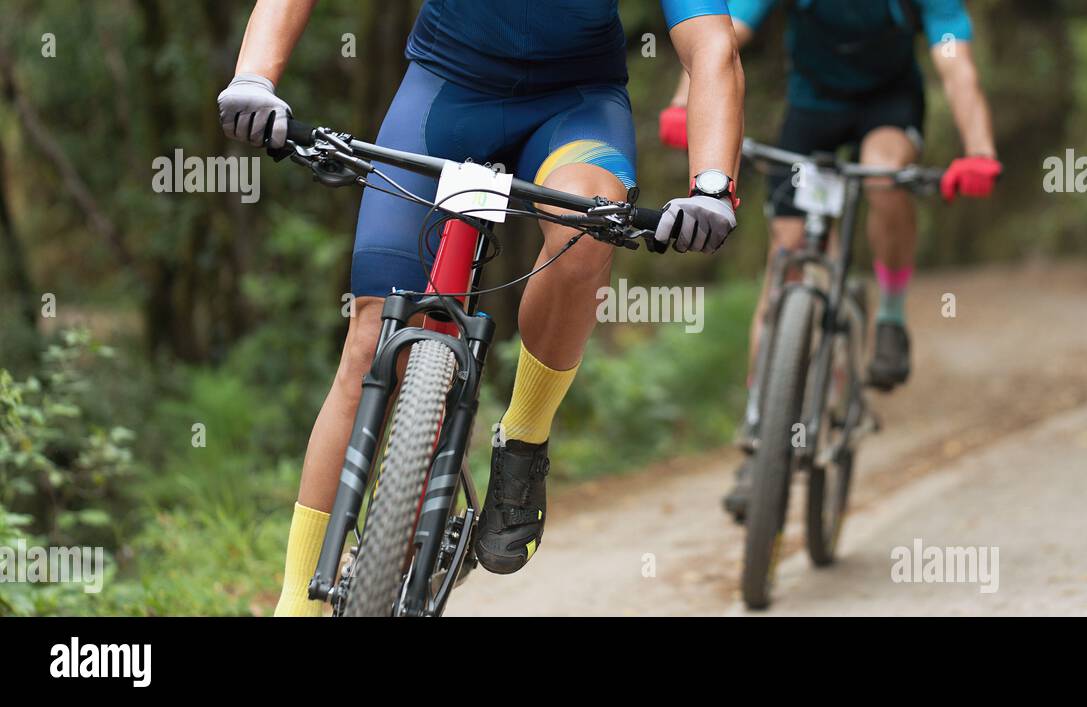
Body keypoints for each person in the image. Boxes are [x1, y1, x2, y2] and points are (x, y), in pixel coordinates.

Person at [219, 0, 743, 617]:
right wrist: (255, 77)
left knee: (584, 237)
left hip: (576, 108)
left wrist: (711, 186)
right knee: (370, 338)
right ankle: (297, 606)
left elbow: (712, 46)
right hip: (445, 90)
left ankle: (524, 437)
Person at [660, 0, 999, 515]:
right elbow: (720, 35)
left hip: (889, 108)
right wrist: (685, 104)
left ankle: (889, 316)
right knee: (786, 255)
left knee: (883, 175)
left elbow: (954, 63)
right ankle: (760, 432)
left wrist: (978, 151)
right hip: (814, 107)